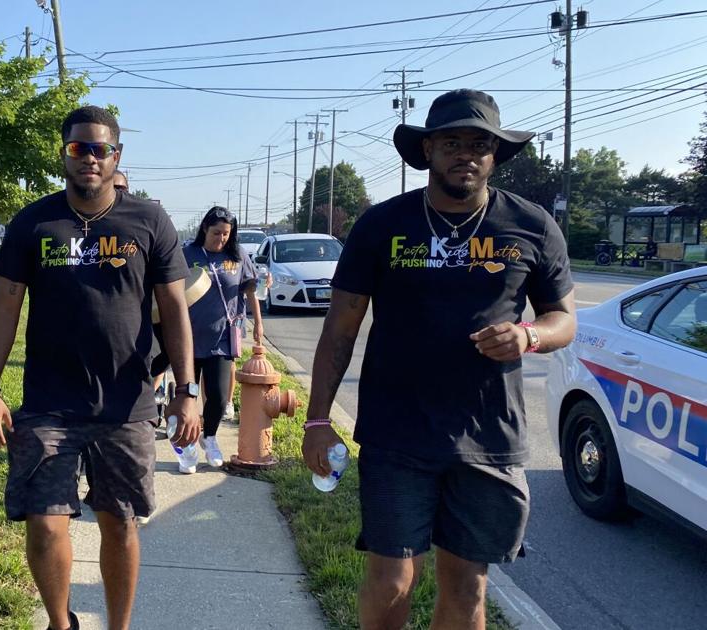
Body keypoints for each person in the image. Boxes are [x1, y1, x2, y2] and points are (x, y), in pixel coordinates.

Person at [300, 89, 575, 630]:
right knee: (392, 580)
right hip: (397, 432)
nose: (465, 153)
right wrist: (316, 419)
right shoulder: (382, 226)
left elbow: (562, 319)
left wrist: (528, 336)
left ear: (496, 154)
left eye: (479, 143)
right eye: (452, 141)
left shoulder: (533, 226)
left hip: (488, 436)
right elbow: (340, 329)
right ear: (428, 149)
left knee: (469, 586)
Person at [0, 105, 201, 630]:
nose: (90, 159)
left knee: (119, 522)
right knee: (43, 522)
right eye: (80, 149)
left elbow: (174, 310)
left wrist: (188, 389)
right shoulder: (35, 221)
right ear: (65, 154)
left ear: (116, 156)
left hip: (126, 404)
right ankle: (61, 623)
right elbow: (4, 306)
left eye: (101, 150)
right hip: (49, 402)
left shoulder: (148, 220)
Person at [181, 206, 262, 472]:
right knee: (188, 396)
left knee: (217, 396)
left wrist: (258, 324)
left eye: (227, 234)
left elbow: (250, 291)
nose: (222, 238)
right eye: (217, 232)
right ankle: (188, 446)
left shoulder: (237, 255)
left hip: (223, 337)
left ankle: (210, 437)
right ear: (205, 228)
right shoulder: (187, 254)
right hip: (189, 337)